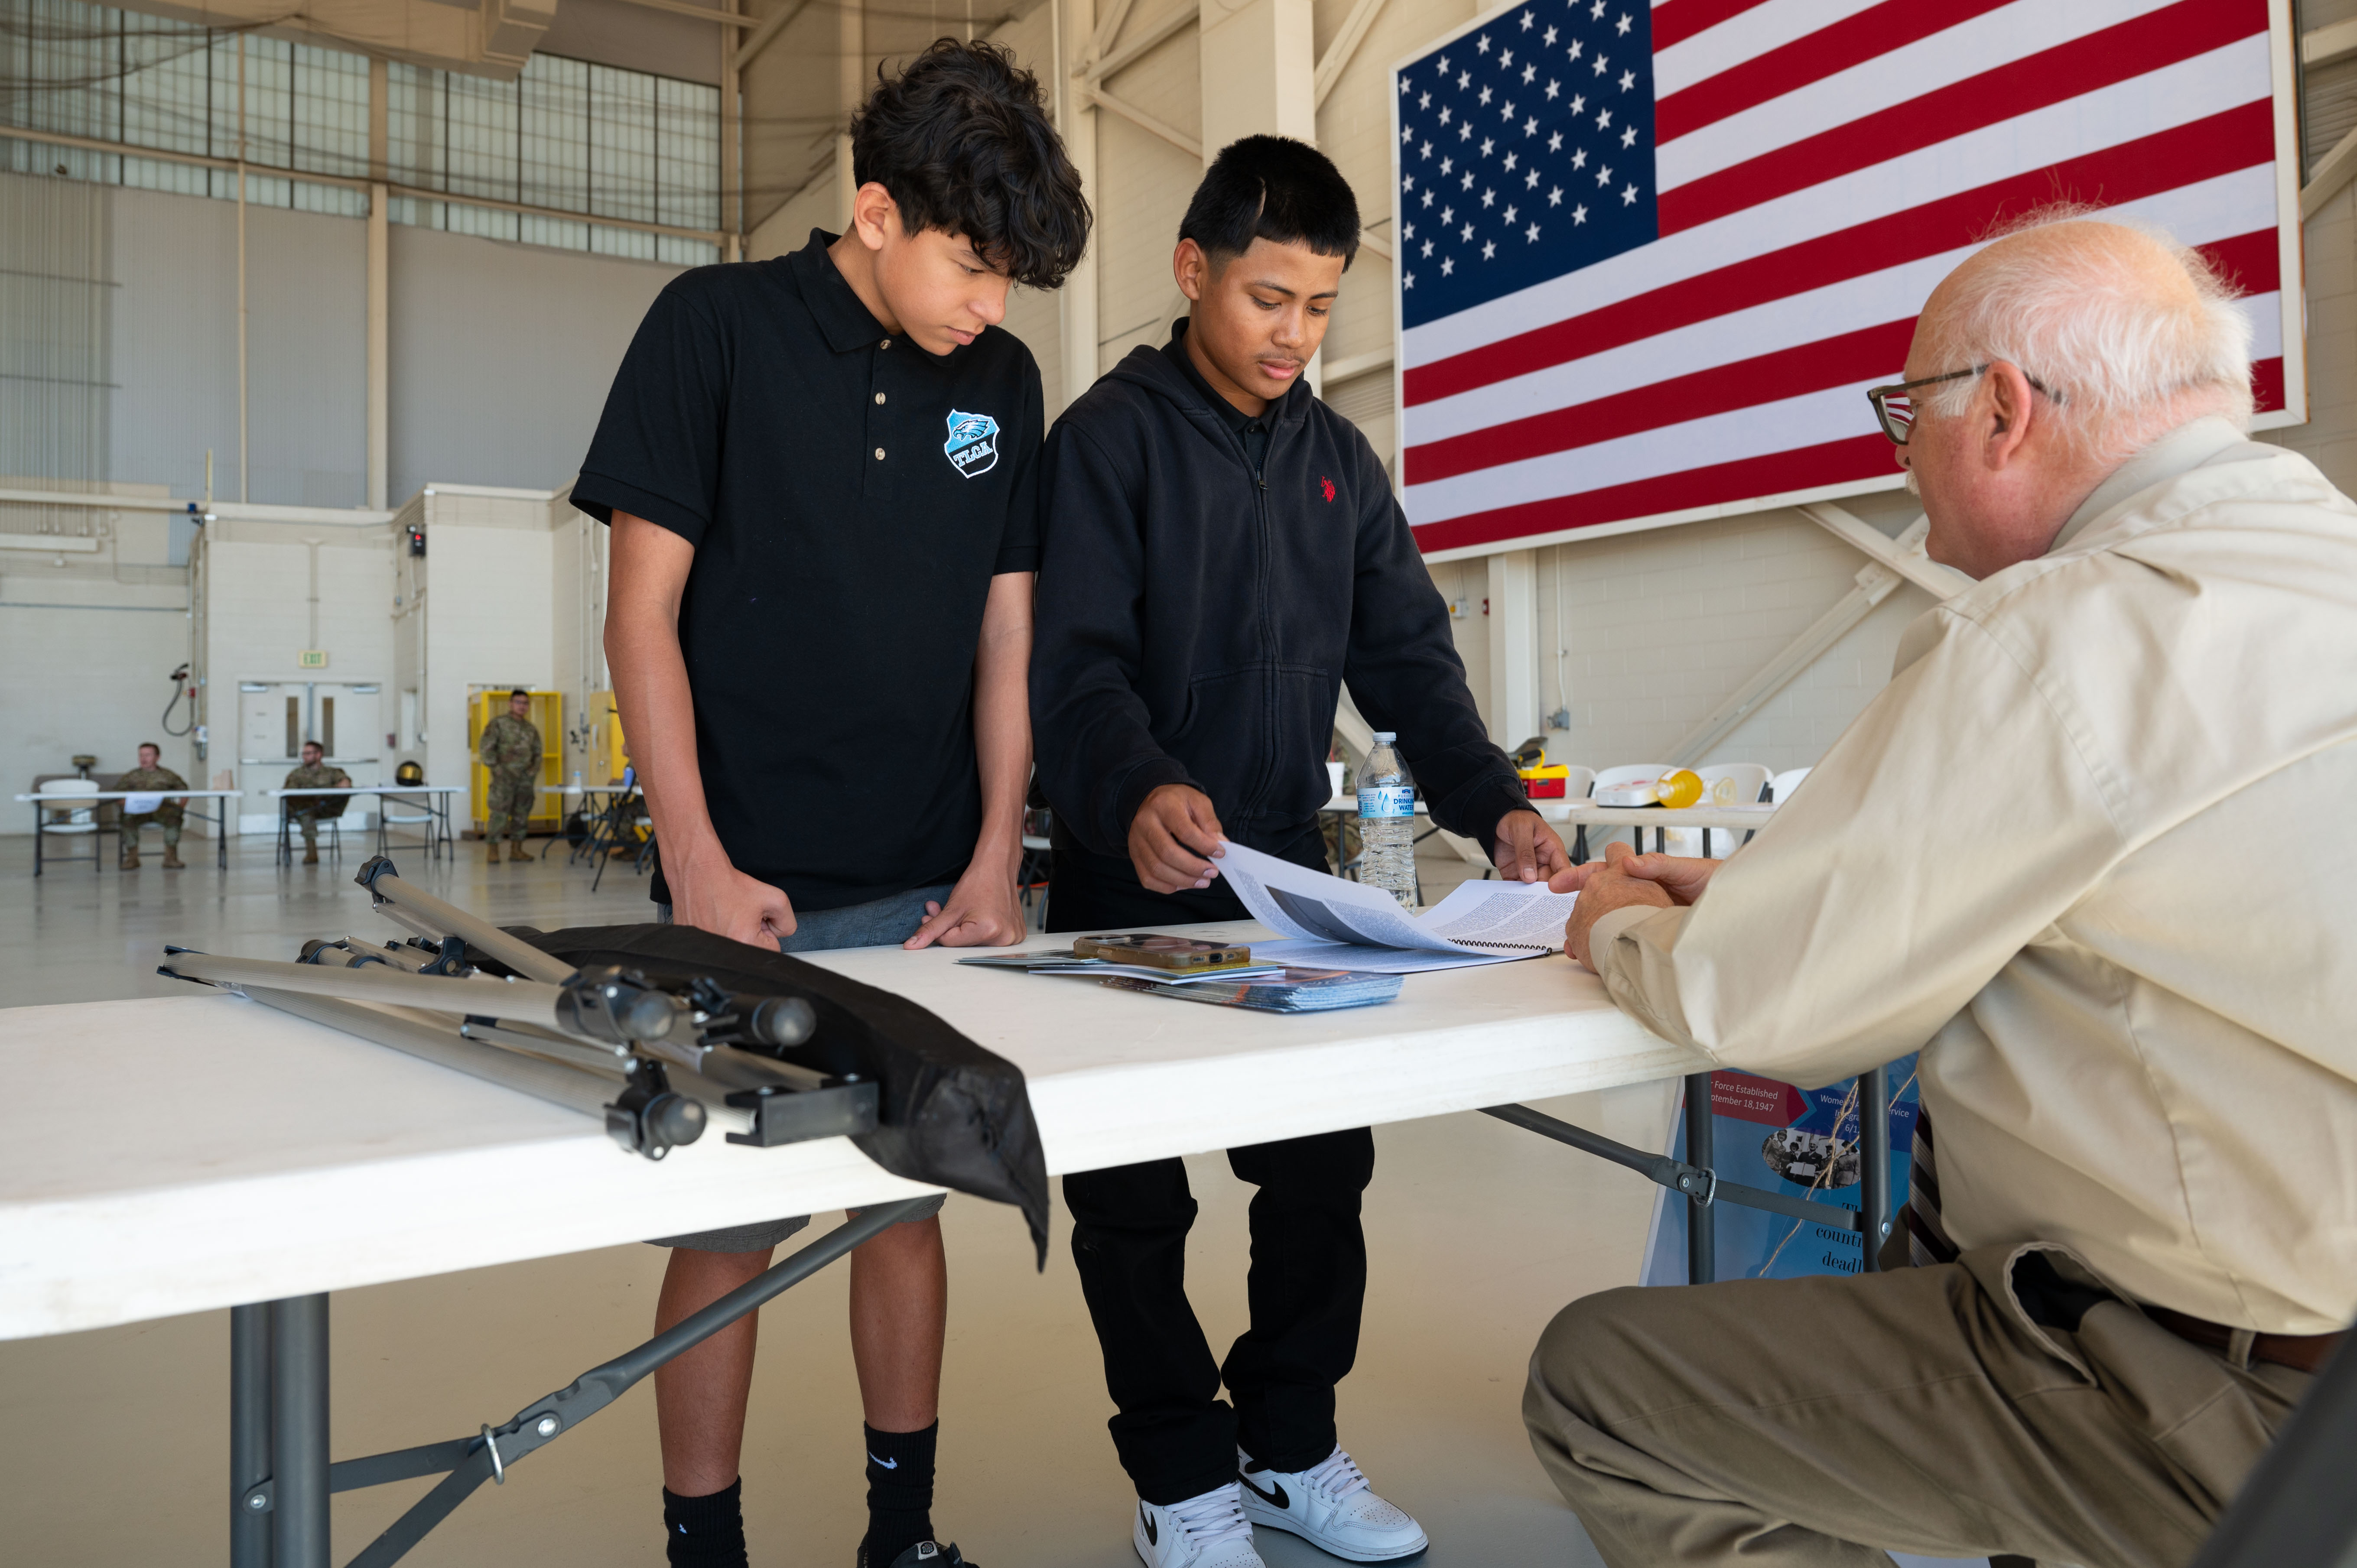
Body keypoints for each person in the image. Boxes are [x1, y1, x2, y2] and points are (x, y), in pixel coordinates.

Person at [1526, 211, 2357, 1568]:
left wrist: (1613, 918)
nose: (1904, 465)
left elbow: (1762, 1003)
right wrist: (1778, 891)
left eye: (1902, 419)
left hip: (2251, 1413)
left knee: (1599, 1385)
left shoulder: (2055, 629)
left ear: (2004, 414)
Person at [571, 39, 1089, 1568]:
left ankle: (901, 1533)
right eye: (969, 263)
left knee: (903, 1211)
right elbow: (637, 619)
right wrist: (701, 867)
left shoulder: (998, 378)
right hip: (749, 894)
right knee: (729, 1226)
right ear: (873, 212)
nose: (989, 304)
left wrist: (996, 859)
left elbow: (1007, 637)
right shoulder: (710, 329)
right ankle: (703, 1544)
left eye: (1011, 278)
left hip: (927, 886)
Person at [1030, 135, 1570, 1568]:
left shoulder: (1338, 462)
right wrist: (1135, 786)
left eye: (1319, 305)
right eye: (1268, 296)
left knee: (1318, 1170)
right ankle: (1178, 1470)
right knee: (1134, 1202)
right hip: (1122, 884)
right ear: (1189, 270)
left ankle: (1285, 1443)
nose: (1292, 333)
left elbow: (1410, 667)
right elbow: (1070, 671)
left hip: (1283, 886)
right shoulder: (1106, 440)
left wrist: (1495, 803)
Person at [478, 689, 542, 863]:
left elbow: (537, 753)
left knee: (522, 815)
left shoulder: (531, 729)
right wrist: (498, 770)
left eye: (525, 703)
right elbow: (486, 749)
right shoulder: (498, 724)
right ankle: (493, 851)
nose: (522, 706)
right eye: (519, 703)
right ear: (511, 704)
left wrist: (532, 772)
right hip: (504, 779)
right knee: (499, 814)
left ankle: (517, 850)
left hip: (525, 780)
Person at [115, 741, 189, 870]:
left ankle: (171, 858)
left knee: (175, 817)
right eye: (141, 755)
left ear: (157, 757)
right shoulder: (132, 776)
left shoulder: (167, 775)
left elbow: (185, 791)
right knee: (126, 819)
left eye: (148, 755)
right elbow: (116, 794)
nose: (144, 759)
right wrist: (126, 803)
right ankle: (132, 859)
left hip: (162, 810)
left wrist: (180, 808)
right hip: (138, 811)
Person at [281, 740, 352, 867]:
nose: (304, 756)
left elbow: (345, 782)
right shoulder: (297, 775)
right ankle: (312, 852)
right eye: (304, 753)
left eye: (308, 753)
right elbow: (290, 793)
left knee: (310, 810)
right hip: (304, 809)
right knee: (306, 811)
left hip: (326, 809)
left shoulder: (332, 772)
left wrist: (345, 782)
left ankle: (312, 851)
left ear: (319, 755)